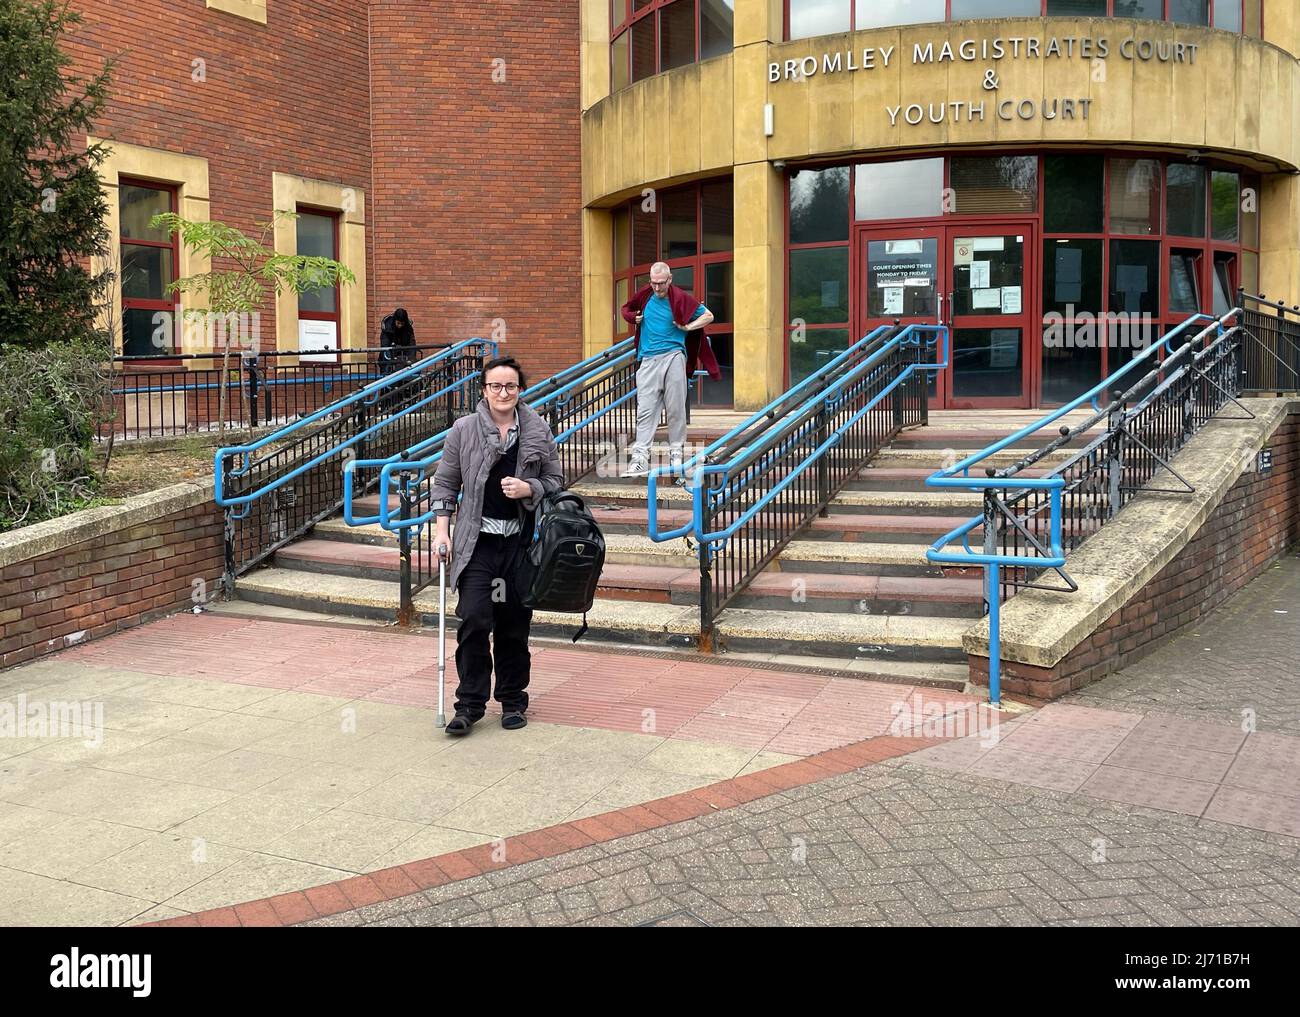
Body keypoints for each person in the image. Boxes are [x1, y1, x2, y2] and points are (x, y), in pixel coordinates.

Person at [430, 356, 564, 736]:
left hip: (520, 544)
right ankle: (469, 704)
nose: (503, 393)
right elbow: (445, 484)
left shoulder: (537, 431)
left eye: (510, 386)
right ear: (484, 390)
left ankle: (511, 700)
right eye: (495, 386)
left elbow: (555, 481)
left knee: (513, 625)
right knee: (473, 619)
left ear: (519, 390)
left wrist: (530, 489)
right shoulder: (464, 430)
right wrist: (443, 532)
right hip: (478, 544)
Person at [618, 262, 719, 478]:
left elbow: (708, 315)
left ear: (670, 279)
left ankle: (676, 454)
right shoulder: (645, 296)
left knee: (675, 409)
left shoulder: (680, 297)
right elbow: (626, 308)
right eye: (653, 283)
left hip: (673, 356)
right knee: (645, 410)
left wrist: (687, 327)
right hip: (647, 359)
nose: (657, 288)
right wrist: (631, 318)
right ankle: (640, 459)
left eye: (661, 283)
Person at [378, 307, 417, 374]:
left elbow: (412, 344)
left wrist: (411, 358)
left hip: (403, 358)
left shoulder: (408, 329)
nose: (400, 325)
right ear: (394, 320)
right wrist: (392, 359)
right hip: (388, 359)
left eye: (402, 324)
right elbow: (385, 345)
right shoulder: (387, 328)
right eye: (398, 323)